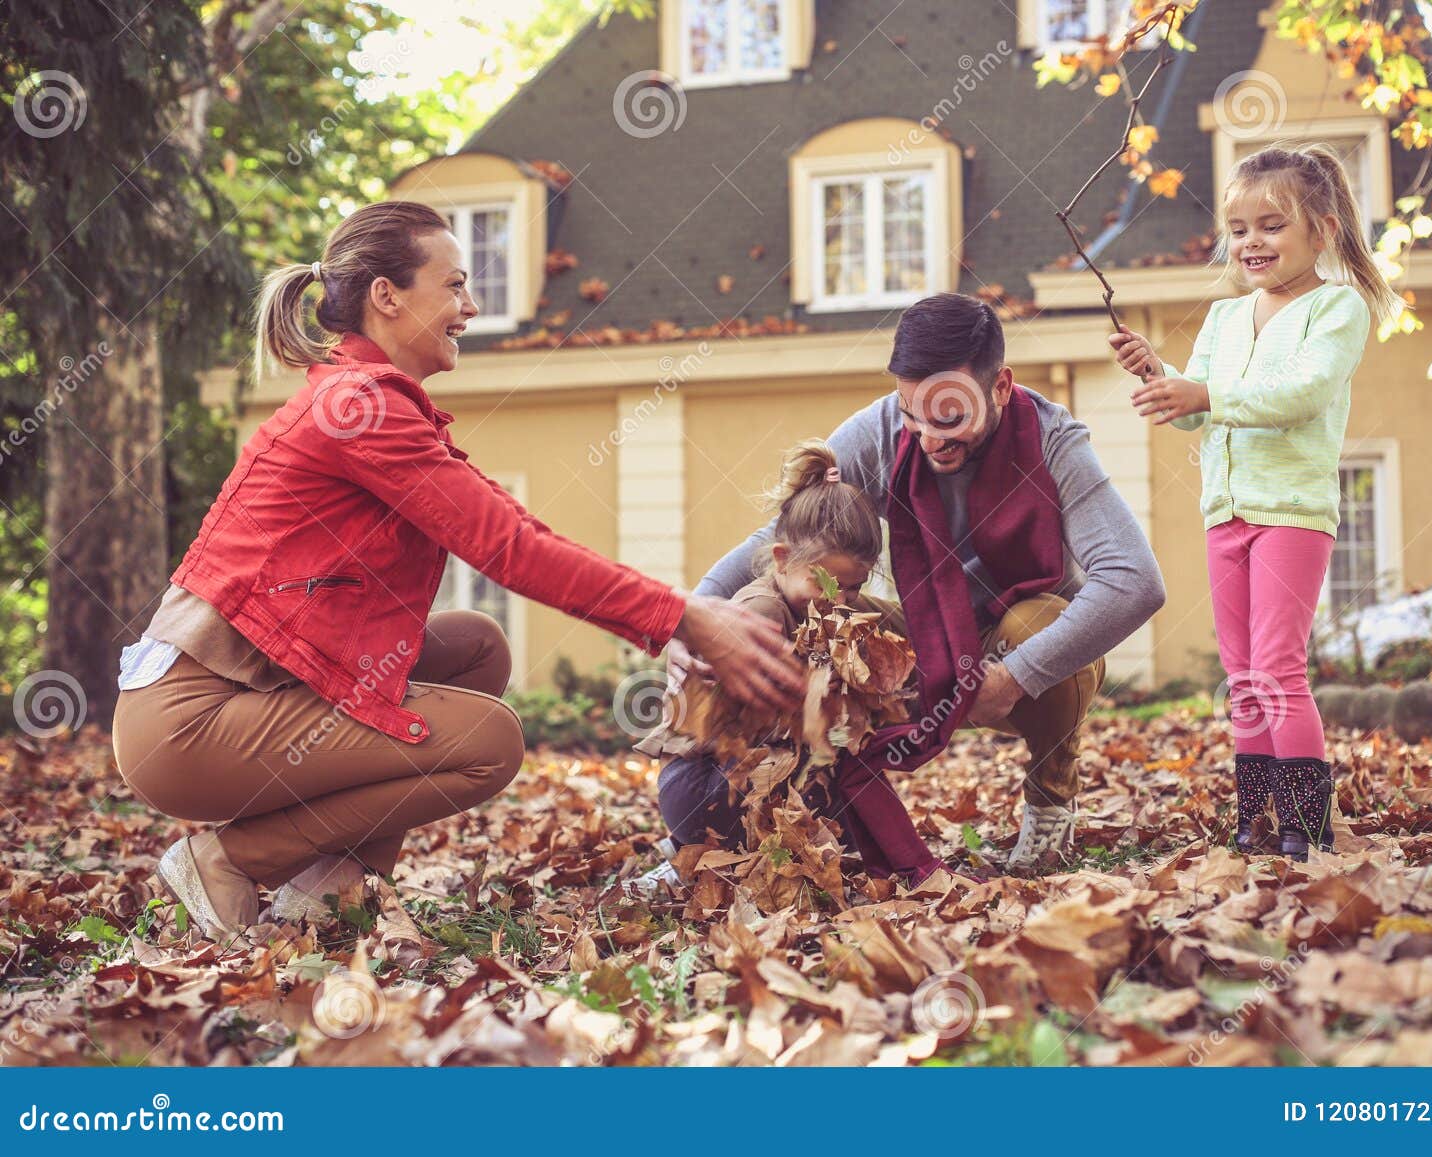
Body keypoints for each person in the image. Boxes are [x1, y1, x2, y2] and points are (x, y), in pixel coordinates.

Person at [110, 201, 802, 943]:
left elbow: (514, 529)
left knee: (476, 646)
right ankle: (227, 857)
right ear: (388, 296)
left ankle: (328, 880)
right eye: (454, 286)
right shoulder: (358, 408)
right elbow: (509, 548)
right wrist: (682, 617)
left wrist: (671, 614)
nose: (469, 308)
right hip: (191, 721)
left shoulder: (369, 400)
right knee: (490, 745)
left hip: (231, 701)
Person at [672, 292, 1166, 875]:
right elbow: (783, 542)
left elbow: (1135, 580)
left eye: (950, 417)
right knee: (783, 609)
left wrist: (1013, 677)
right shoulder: (877, 433)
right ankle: (730, 827)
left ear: (1001, 387)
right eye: (912, 414)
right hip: (926, 636)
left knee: (1041, 621)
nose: (928, 437)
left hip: (1012, 645)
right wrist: (694, 616)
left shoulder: (1055, 441)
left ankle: (1052, 793)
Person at [1109, 143, 1404, 860]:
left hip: (1291, 515)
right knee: (1241, 677)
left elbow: (1298, 395)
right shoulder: (1224, 318)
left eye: (1271, 226)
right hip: (1226, 514)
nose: (1251, 243)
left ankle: (1308, 821)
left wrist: (1204, 393)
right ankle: (1255, 819)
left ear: (1322, 232)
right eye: (1239, 230)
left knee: (1277, 667)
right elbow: (1194, 414)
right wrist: (1162, 375)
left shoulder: (1337, 309)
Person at [631, 438, 942, 893]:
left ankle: (704, 852)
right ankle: (694, 861)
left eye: (852, 589)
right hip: (704, 785)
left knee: (847, 796)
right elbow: (758, 716)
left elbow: (904, 625)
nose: (839, 600)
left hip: (745, 774)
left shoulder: (826, 606)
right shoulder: (763, 613)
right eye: (827, 585)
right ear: (782, 560)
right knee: (835, 769)